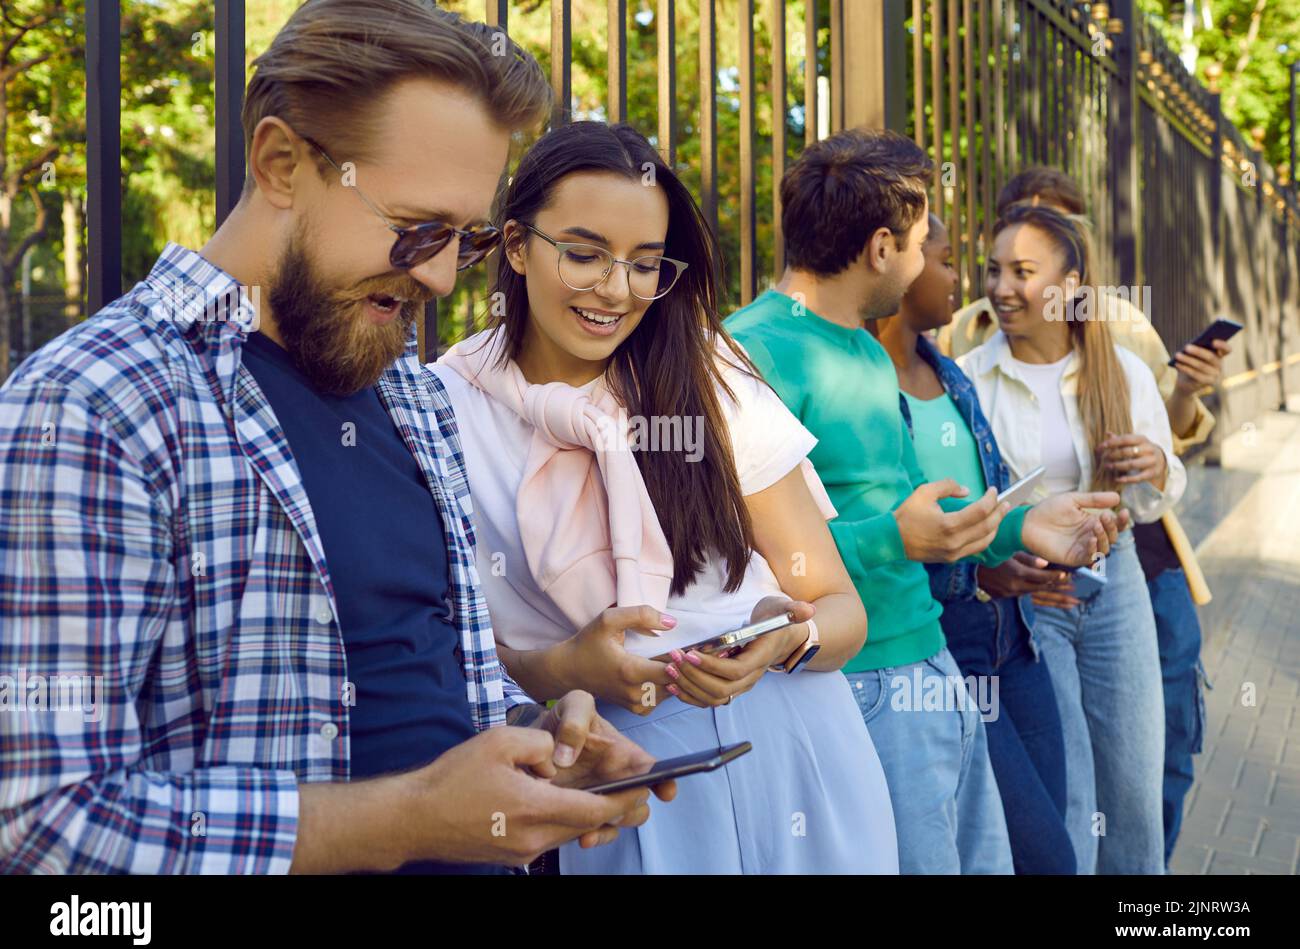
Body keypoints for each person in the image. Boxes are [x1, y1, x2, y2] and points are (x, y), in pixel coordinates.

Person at [0, 0, 674, 876]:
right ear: (282, 162)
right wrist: (406, 821)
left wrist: (534, 742)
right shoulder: (94, 408)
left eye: (463, 241)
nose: (437, 273)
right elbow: (44, 819)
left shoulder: (405, 390)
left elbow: (418, 681)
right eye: (418, 228)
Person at [432, 119, 899, 874]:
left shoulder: (706, 371)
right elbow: (458, 665)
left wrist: (786, 644)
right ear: (516, 246)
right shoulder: (442, 406)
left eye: (645, 264)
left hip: (798, 747)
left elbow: (840, 608)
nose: (615, 290)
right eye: (583, 254)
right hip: (622, 779)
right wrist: (569, 667)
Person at [725, 128, 1127, 874]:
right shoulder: (752, 352)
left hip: (932, 660)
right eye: (917, 241)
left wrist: (1028, 524)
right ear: (881, 248)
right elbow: (737, 555)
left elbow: (917, 508)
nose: (921, 260)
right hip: (860, 682)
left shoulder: (859, 346)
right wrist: (891, 540)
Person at [939, 166, 1230, 864]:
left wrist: (1155, 470)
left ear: (1070, 286)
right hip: (1032, 600)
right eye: (993, 269)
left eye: (1023, 271)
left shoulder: (1120, 369)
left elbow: (1160, 492)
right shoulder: (971, 375)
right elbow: (964, 502)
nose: (1002, 287)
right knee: (1065, 789)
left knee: (1134, 782)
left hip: (1116, 582)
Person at [873, 214, 1075, 874]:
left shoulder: (947, 372)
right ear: (895, 263)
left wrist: (1005, 555)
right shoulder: (862, 384)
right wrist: (985, 563)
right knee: (1042, 856)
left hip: (1013, 638)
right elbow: (893, 539)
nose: (970, 282)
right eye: (952, 260)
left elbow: (976, 513)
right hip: (946, 647)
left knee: (1056, 842)